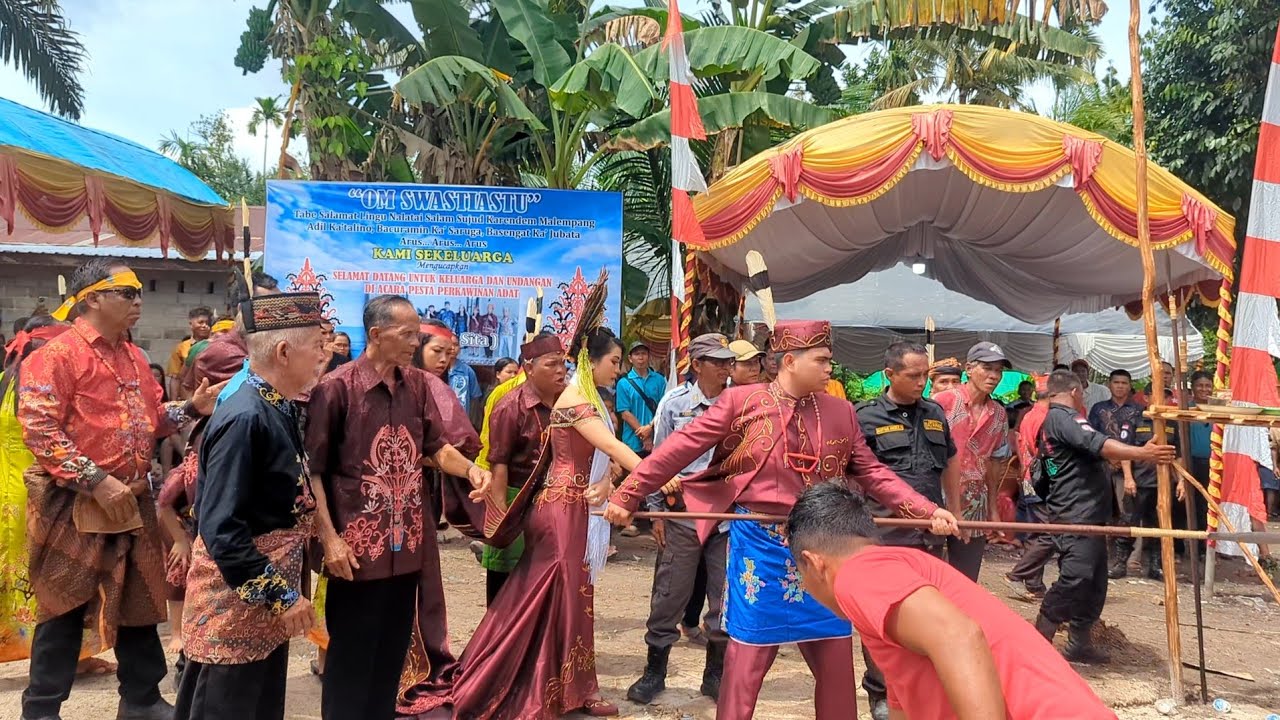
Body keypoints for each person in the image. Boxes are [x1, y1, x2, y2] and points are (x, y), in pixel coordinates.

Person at [605, 319, 959, 720]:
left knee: (834, 654)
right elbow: (680, 449)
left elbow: (873, 473)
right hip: (759, 545)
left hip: (824, 549)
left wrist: (927, 511)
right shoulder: (742, 402)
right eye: (823, 360)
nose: (831, 369)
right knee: (747, 660)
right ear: (790, 360)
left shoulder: (841, 411)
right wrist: (629, 492)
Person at [18, 258, 223, 720]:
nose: (138, 301)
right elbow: (38, 428)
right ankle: (43, 708)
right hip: (74, 502)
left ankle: (141, 699)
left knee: (140, 599)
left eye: (138, 294)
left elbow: (153, 419)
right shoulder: (55, 355)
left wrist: (191, 405)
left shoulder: (131, 355)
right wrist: (94, 479)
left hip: (131, 499)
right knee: (62, 604)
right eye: (127, 293)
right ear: (92, 298)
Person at [786, 482, 1118, 720]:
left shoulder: (860, 574)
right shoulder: (895, 601)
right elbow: (904, 703)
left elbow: (959, 636)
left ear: (814, 562)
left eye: (801, 576)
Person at [306, 295, 492, 720]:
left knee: (391, 656)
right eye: (406, 334)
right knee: (352, 658)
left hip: (407, 548)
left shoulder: (419, 386)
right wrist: (329, 539)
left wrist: (470, 471)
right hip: (355, 551)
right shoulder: (336, 389)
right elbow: (313, 471)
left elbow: (436, 448)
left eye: (416, 333)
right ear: (375, 335)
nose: (415, 341)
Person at [453, 315, 643, 718]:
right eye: (614, 362)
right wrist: (500, 519)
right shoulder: (559, 402)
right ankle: (531, 680)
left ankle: (572, 684)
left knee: (575, 598)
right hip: (556, 508)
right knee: (545, 597)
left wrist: (613, 484)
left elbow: (601, 456)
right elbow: (609, 445)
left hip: (572, 506)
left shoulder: (582, 399)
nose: (619, 370)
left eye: (563, 363)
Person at [174, 292, 329, 720]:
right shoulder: (246, 416)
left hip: (258, 606)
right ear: (283, 351)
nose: (324, 356)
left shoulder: (275, 407)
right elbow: (222, 529)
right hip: (236, 603)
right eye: (317, 345)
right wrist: (280, 595)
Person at [1029, 370, 1177, 664]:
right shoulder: (1063, 418)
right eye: (1081, 391)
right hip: (1074, 513)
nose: (1082, 396)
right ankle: (1038, 641)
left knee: (1095, 583)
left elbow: (1099, 449)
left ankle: (1078, 644)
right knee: (1076, 577)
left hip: (1090, 513)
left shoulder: (1064, 420)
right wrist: (1142, 454)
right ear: (1073, 391)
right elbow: (1100, 445)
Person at [626, 333, 737, 706]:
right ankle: (654, 671)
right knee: (669, 593)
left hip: (727, 517)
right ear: (697, 365)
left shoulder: (742, 402)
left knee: (725, 597)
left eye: (727, 361)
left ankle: (715, 674)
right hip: (682, 514)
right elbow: (659, 459)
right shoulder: (674, 404)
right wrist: (656, 511)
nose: (725, 367)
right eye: (717, 361)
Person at [853, 341, 962, 720]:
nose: (921, 383)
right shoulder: (864, 416)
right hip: (883, 533)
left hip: (929, 535)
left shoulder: (934, 412)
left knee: (926, 612)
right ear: (889, 375)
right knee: (881, 617)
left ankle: (915, 692)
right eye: (912, 376)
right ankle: (880, 693)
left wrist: (956, 510)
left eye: (924, 376)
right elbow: (854, 474)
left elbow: (949, 462)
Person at [1, 317, 116, 673]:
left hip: (8, 487)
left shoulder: (7, 379)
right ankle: (71, 659)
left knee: (14, 567)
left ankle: (21, 644)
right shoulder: (40, 385)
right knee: (57, 570)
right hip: (42, 489)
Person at [479, 334, 566, 605]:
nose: (560, 370)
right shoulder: (510, 407)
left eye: (563, 364)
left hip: (552, 499)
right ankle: (498, 642)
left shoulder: (568, 402)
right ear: (529, 368)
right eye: (551, 364)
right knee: (506, 578)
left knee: (546, 577)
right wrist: (500, 513)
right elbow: (499, 462)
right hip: (515, 495)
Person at [931, 342, 1011, 580]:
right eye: (987, 368)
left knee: (966, 575)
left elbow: (995, 463)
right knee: (929, 569)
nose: (994, 375)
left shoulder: (998, 413)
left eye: (998, 370)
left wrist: (994, 509)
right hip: (934, 495)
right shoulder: (942, 402)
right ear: (969, 369)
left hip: (975, 500)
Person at [1087, 369, 1143, 575]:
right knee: (1101, 511)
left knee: (1128, 512)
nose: (1120, 386)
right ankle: (1100, 556)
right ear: (1110, 385)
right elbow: (1091, 436)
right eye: (1116, 382)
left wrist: (1124, 459)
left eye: (1124, 383)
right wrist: (1108, 457)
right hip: (1102, 466)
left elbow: (1139, 440)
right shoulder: (1098, 409)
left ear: (1130, 386)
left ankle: (1125, 561)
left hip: (1129, 470)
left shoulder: (1138, 410)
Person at [1110, 413, 1178, 580]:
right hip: (1138, 483)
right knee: (1128, 523)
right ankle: (1120, 564)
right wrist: (1128, 478)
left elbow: (1178, 455)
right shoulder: (1134, 420)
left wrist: (1181, 481)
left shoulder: (1171, 423)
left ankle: (1155, 567)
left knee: (1157, 526)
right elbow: (1126, 451)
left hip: (1161, 486)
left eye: (1167, 396)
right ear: (1147, 398)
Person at [1005, 392, 1053, 601]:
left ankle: (1034, 584)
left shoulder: (1029, 414)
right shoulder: (1046, 418)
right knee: (1051, 532)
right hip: (1041, 482)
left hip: (1029, 478)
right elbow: (1045, 453)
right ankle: (1017, 574)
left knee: (1036, 533)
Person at [1177, 370, 1215, 559]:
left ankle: (1201, 548)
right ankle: (1179, 546)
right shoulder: (1185, 409)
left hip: (1211, 464)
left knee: (1204, 506)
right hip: (1188, 461)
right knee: (1184, 504)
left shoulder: (1217, 411)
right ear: (1192, 388)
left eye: (1208, 385)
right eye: (1200, 385)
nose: (1204, 389)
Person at [616, 341, 666, 456]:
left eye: (643, 353)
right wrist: (644, 435)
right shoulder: (623, 383)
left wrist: (650, 428)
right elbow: (625, 413)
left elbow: (663, 408)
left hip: (656, 440)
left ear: (649, 357)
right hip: (632, 441)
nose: (640, 357)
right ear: (630, 358)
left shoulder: (659, 380)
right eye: (637, 354)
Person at [167, 306, 214, 398]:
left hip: (210, 395)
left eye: (207, 323)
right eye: (200, 322)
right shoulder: (181, 348)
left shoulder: (216, 345)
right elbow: (175, 378)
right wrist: (173, 401)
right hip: (188, 397)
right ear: (191, 324)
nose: (204, 326)